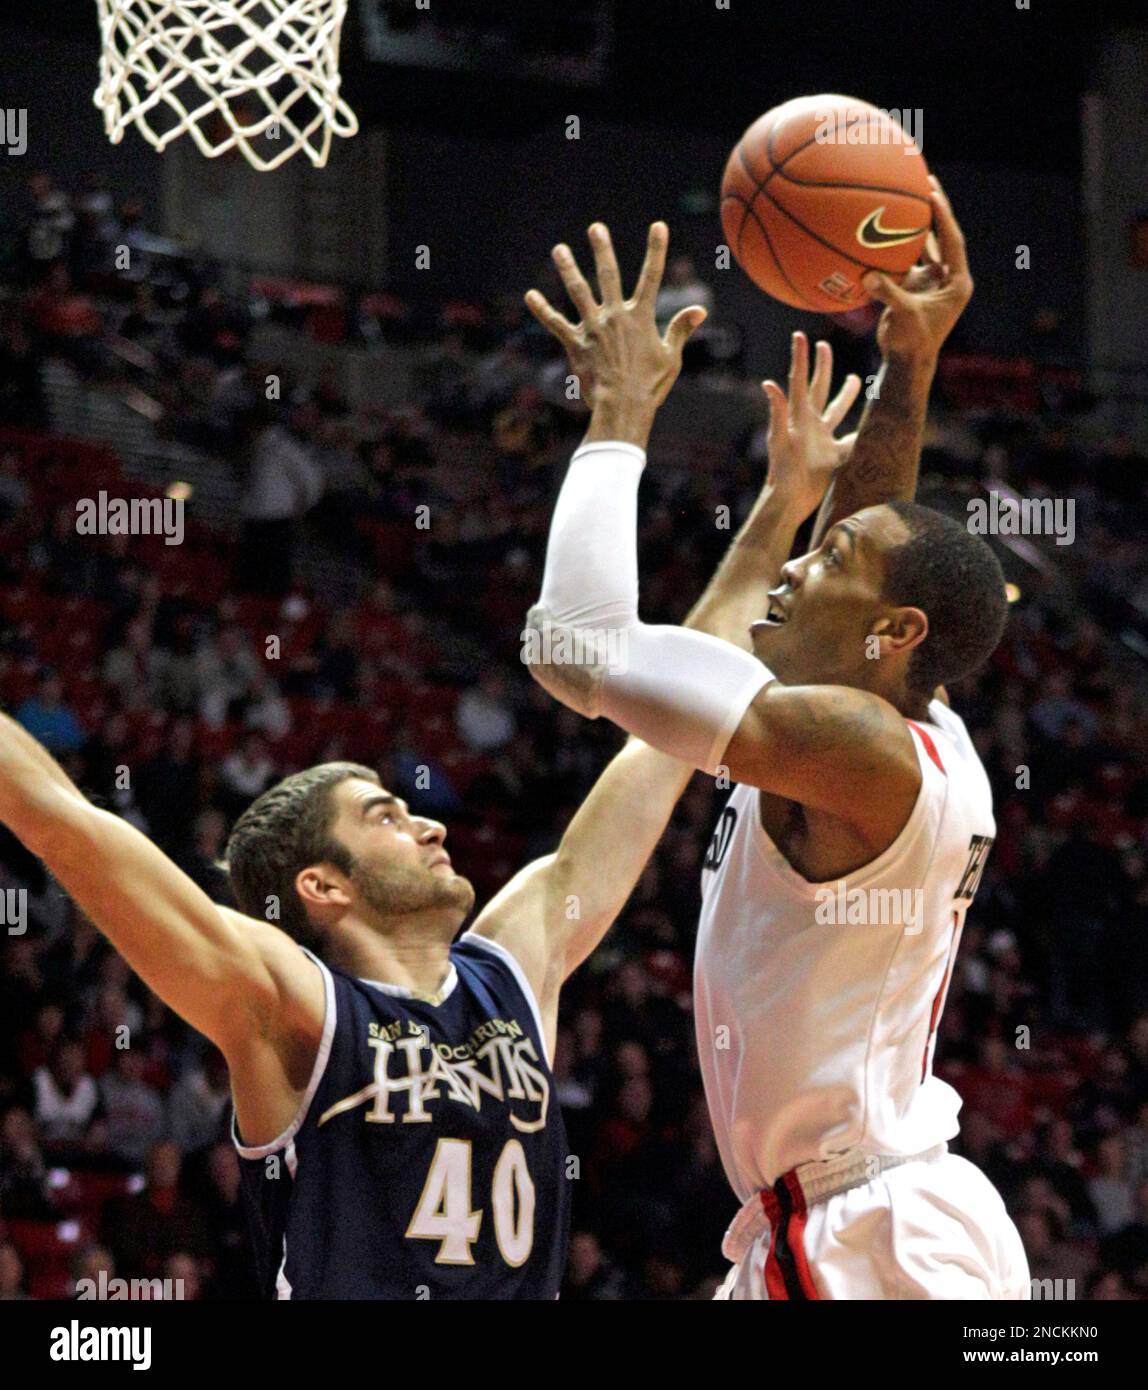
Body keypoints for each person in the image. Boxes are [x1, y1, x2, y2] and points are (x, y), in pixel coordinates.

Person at [0, 424, 791, 1298]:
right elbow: (62, 821)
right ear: (324, 886)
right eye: (385, 816)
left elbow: (673, 734)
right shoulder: (288, 1007)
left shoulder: (514, 966)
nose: (430, 827)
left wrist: (780, 502)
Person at [522, 191, 1030, 1299]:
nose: (795, 561)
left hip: (859, 1233)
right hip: (848, 1217)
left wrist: (615, 417)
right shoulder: (897, 716)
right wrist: (908, 361)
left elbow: (567, 645)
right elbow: (879, 532)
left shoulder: (856, 743)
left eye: (823, 555)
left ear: (892, 633)